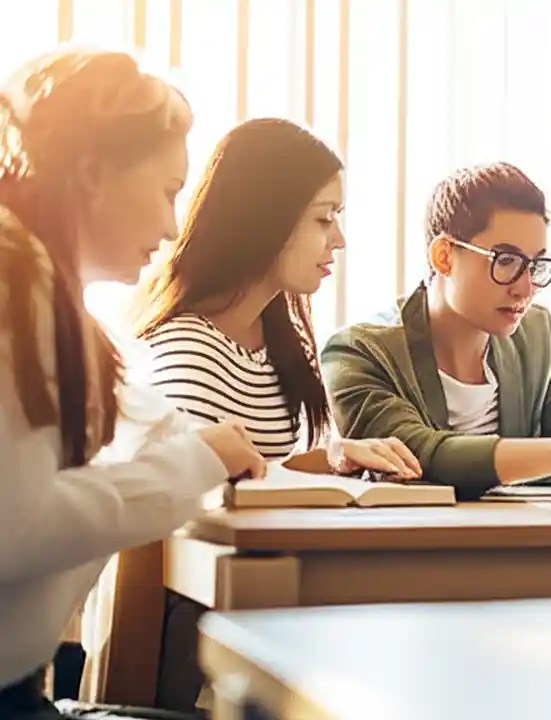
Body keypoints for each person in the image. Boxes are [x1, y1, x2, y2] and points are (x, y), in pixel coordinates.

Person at [0, 49, 263, 718]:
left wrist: (203, 450)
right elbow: (17, 528)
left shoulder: (52, 298)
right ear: (92, 174)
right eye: (169, 189)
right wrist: (196, 463)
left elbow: (147, 418)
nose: (174, 225)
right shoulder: (16, 286)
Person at [322, 162, 551, 499]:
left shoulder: (540, 337)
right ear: (444, 256)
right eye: (507, 260)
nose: (525, 288)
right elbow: (422, 455)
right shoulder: (358, 351)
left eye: (536, 264)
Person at [134, 118, 420, 480]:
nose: (339, 239)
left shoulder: (276, 337)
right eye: (324, 218)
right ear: (266, 217)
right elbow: (195, 486)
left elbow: (262, 464)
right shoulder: (188, 352)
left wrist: (337, 454)